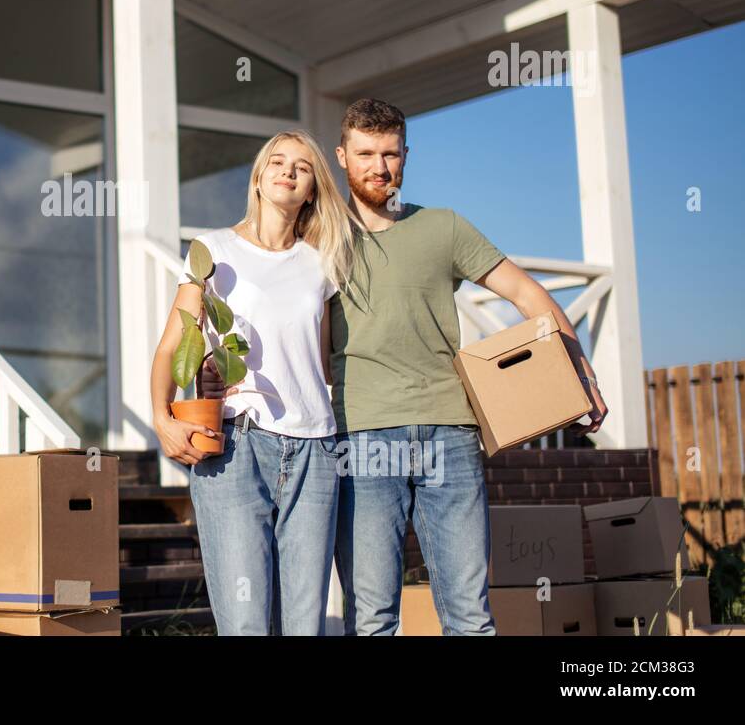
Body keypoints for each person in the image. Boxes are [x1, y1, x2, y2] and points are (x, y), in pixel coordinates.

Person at [326, 98, 609, 635]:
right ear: (342, 156)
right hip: (360, 437)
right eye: (365, 153)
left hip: (449, 434)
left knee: (469, 614)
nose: (378, 167)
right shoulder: (322, 236)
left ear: (406, 155)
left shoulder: (444, 227)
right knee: (370, 617)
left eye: (390, 153)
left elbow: (527, 292)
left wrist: (582, 376)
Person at [149, 130, 358, 635]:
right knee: (246, 621)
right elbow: (174, 343)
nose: (287, 171)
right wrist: (162, 417)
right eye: (277, 162)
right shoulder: (213, 249)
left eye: (301, 167)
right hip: (237, 447)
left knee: (303, 623)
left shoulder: (322, 263)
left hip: (315, 451)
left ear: (311, 189)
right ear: (260, 179)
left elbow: (322, 364)